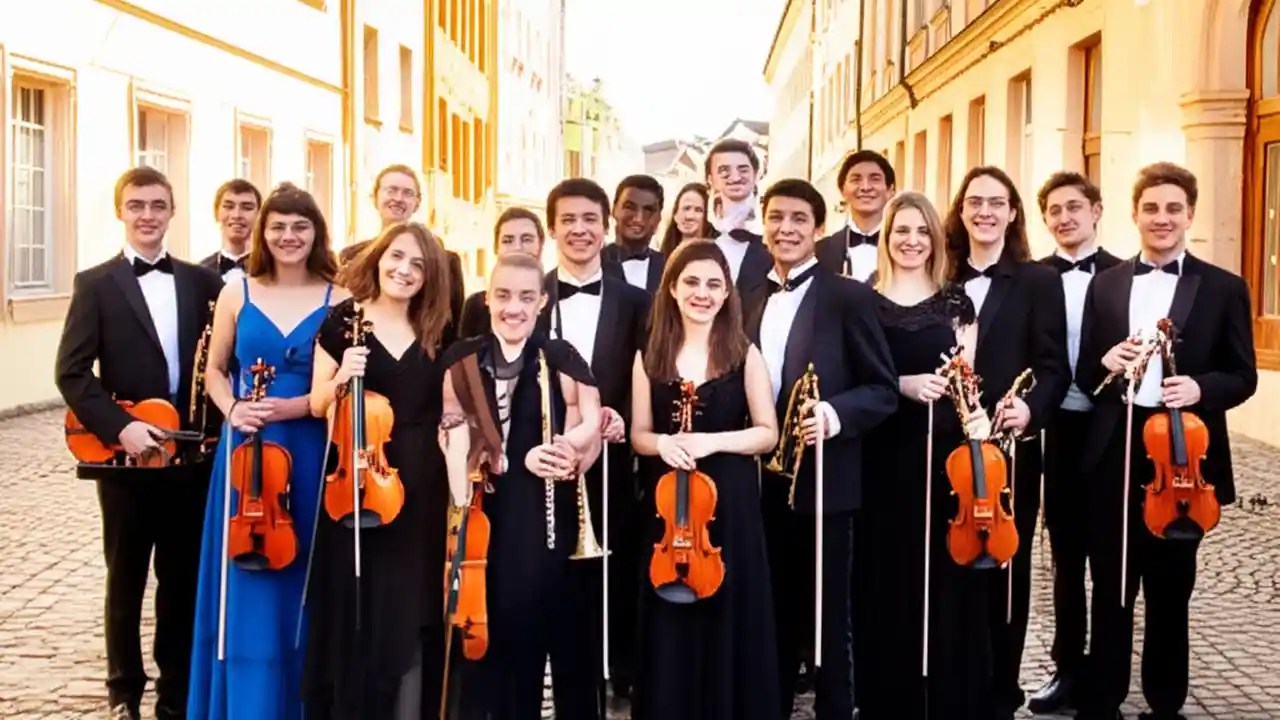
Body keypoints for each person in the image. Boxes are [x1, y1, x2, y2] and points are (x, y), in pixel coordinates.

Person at [1073, 162, 1257, 720]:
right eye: (1151, 207)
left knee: (1171, 591)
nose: (1162, 218)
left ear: (1190, 216)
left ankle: (1165, 703)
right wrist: (1104, 361)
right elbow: (1084, 373)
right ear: (1134, 214)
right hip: (1116, 451)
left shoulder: (1224, 287)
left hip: (1183, 460)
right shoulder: (1105, 285)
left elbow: (1243, 375)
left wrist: (1198, 386)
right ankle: (1103, 699)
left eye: (1173, 208)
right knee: (1110, 586)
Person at [55, 166, 223, 720]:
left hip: (188, 458)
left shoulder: (204, 284)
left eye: (157, 205)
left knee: (180, 581)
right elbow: (73, 372)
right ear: (121, 212)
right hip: (125, 460)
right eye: (136, 206)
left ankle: (175, 693)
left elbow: (221, 361)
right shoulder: (95, 284)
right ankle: (123, 690)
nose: (147, 215)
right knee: (124, 578)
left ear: (172, 211)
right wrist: (119, 427)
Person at [742, 178, 898, 719]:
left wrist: (833, 414)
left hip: (826, 482)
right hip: (759, 483)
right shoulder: (748, 298)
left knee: (831, 617)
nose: (786, 229)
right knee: (771, 609)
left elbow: (882, 388)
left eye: (798, 220)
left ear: (819, 228)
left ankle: (836, 710)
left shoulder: (849, 296)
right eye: (776, 218)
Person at [187, 182, 343, 720]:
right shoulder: (237, 291)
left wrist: (293, 408)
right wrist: (232, 408)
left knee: (301, 578)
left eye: (300, 226)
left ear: (316, 232)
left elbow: (337, 385)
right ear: (262, 231)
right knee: (248, 583)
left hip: (308, 446)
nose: (288, 236)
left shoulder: (338, 296)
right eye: (277, 226)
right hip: (246, 454)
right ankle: (248, 706)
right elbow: (213, 369)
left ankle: (301, 701)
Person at [437, 252, 604, 719]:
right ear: (487, 298)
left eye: (526, 297)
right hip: (487, 515)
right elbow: (453, 426)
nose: (514, 308)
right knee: (497, 638)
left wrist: (564, 448)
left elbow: (589, 418)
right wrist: (473, 469)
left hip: (548, 516)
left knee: (550, 630)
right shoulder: (461, 358)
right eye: (504, 296)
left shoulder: (561, 355)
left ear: (542, 301)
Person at [302, 221, 456, 718]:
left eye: (417, 263)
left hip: (422, 486)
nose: (404, 270)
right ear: (378, 257)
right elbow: (315, 402)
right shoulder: (341, 322)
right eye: (396, 257)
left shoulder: (438, 325)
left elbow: (453, 405)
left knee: (412, 607)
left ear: (430, 274)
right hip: (358, 482)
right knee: (359, 607)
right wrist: (342, 377)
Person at [628, 239, 781, 719]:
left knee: (728, 614)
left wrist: (712, 441)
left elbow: (767, 434)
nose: (702, 293)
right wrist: (663, 445)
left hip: (728, 509)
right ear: (672, 288)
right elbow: (639, 435)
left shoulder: (742, 354)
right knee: (671, 614)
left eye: (714, 284)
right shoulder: (649, 356)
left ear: (727, 293)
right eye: (691, 282)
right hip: (669, 510)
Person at [857, 191, 995, 719]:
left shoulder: (956, 301)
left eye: (922, 232)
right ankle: (887, 699)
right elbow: (854, 378)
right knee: (883, 578)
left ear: (935, 239)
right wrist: (901, 384)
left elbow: (968, 380)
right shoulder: (861, 301)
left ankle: (949, 697)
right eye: (901, 231)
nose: (911, 241)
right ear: (886, 237)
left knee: (947, 575)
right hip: (880, 455)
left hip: (942, 458)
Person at [941, 166, 1070, 719]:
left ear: (1014, 213)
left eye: (997, 202)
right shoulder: (938, 275)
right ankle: (950, 686)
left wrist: (1030, 407)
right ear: (961, 211)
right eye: (975, 202)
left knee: (1004, 574)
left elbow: (1053, 366)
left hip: (1010, 453)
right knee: (946, 569)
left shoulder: (1039, 281)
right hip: (942, 451)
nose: (985, 211)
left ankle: (1000, 693)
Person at [538, 178, 651, 704]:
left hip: (614, 460)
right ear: (552, 228)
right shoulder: (528, 296)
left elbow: (649, 372)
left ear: (605, 226)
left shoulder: (636, 301)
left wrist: (623, 419)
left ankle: (616, 673)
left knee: (615, 571)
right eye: (568, 220)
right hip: (543, 461)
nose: (579, 230)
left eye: (589, 220)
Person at [1027, 171, 1123, 714]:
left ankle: (1107, 677)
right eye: (1055, 211)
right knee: (1065, 556)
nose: (1065, 218)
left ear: (1096, 211)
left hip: (1111, 428)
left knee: (1112, 557)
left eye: (1074, 207)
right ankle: (1067, 667)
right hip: (1055, 425)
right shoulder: (1034, 277)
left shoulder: (1127, 275)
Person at [338, 164, 465, 330]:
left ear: (417, 203)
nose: (398, 198)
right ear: (374, 197)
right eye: (391, 190)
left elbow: (454, 324)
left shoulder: (446, 261)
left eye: (407, 193)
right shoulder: (351, 256)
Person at [458, 207, 547, 338]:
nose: (517, 247)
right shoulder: (476, 306)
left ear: (541, 245)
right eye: (507, 241)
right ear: (496, 248)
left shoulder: (559, 300)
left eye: (527, 239)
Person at [704, 139, 773, 295]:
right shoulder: (701, 238)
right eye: (723, 171)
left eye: (743, 170)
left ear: (756, 175)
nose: (735, 177)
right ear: (710, 180)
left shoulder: (773, 237)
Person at [816, 150, 896, 282]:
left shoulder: (908, 248)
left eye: (875, 179)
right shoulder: (820, 252)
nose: (865, 187)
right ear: (842, 190)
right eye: (856, 179)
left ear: (890, 190)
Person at [602, 174, 667, 293]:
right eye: (630, 207)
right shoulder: (592, 264)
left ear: (659, 218)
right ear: (614, 210)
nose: (638, 218)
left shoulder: (671, 268)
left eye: (648, 210)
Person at [200, 179, 262, 282]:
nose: (236, 215)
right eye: (229, 207)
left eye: (247, 208)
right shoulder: (199, 273)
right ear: (216, 213)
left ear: (259, 216)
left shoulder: (272, 271)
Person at [658, 182, 714, 257]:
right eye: (686, 208)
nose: (689, 216)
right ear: (675, 215)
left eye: (698, 210)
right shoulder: (660, 258)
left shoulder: (716, 257)